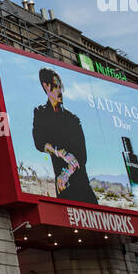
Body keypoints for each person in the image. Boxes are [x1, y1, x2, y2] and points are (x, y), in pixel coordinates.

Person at [32, 67, 98, 204]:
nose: (60, 91)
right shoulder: (40, 113)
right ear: (46, 86)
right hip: (63, 188)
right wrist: (61, 153)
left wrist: (66, 173)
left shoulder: (72, 119)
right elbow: (39, 143)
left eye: (61, 87)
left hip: (81, 184)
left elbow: (82, 156)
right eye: (56, 86)